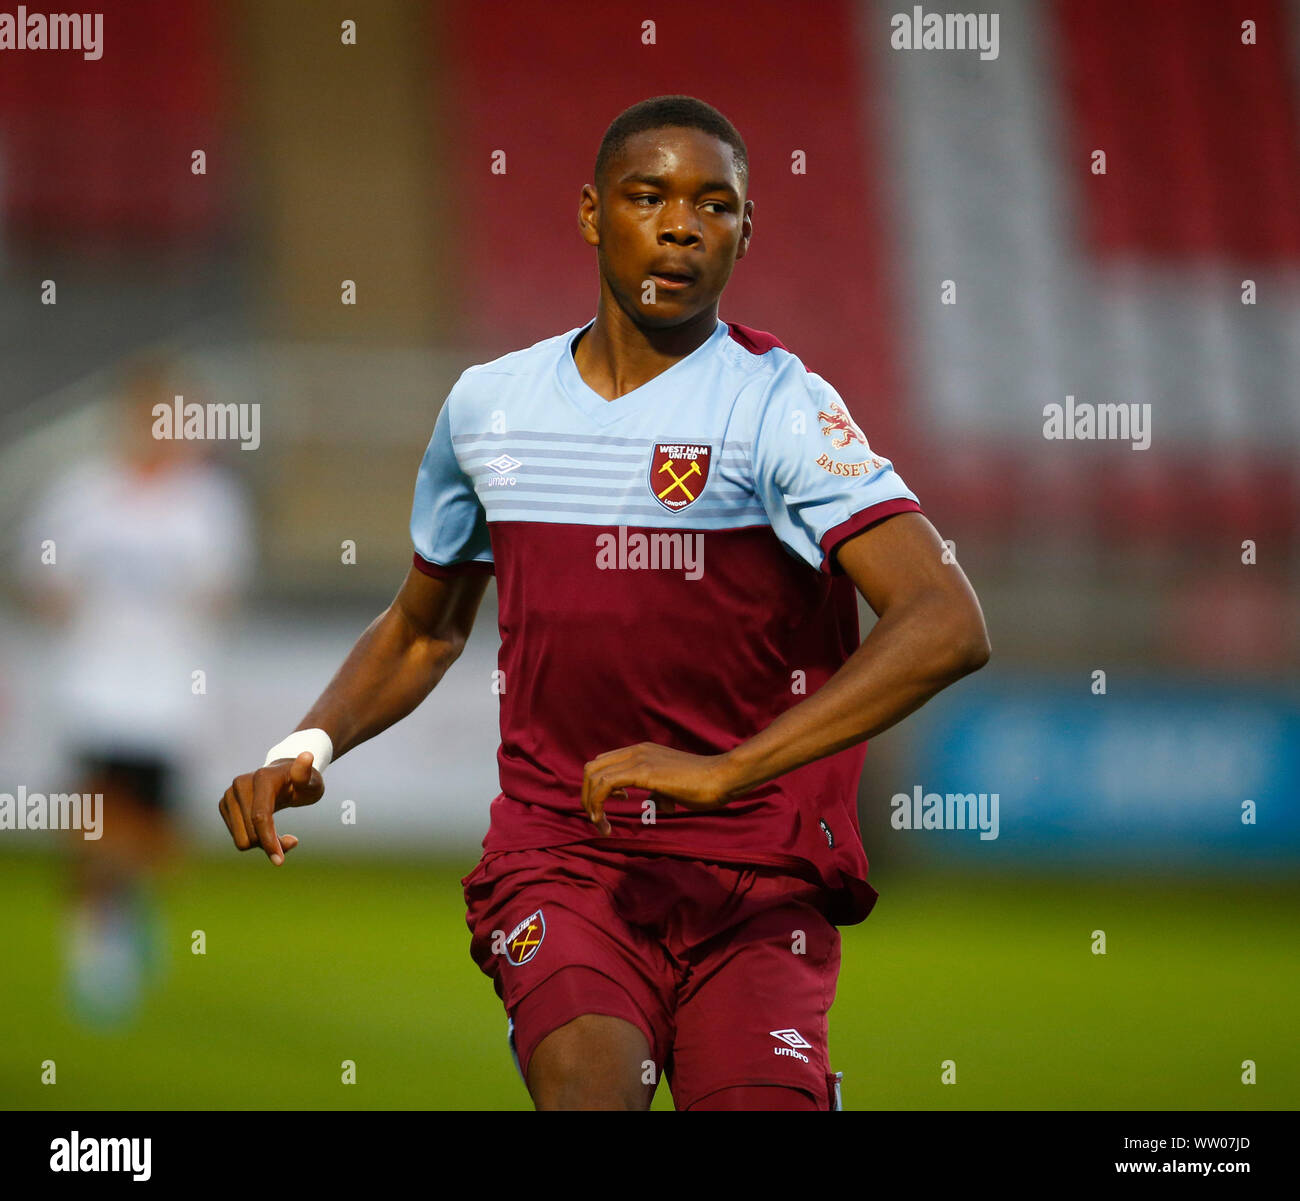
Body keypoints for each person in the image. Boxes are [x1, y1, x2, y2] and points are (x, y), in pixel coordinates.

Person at [219, 95, 990, 1110]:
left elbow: (946, 620)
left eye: (715, 205)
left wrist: (730, 770)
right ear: (590, 213)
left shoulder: (778, 408)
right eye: (649, 195)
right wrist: (305, 747)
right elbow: (423, 627)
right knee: (587, 1085)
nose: (681, 225)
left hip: (751, 875)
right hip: (565, 855)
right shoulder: (491, 407)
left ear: (746, 232)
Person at [23, 354, 253, 1024]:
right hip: (94, 688)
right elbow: (44, 578)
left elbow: (220, 592)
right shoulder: (83, 494)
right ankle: (98, 959)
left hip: (170, 696)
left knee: (154, 840)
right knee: (94, 826)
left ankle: (131, 907)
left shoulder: (207, 504)